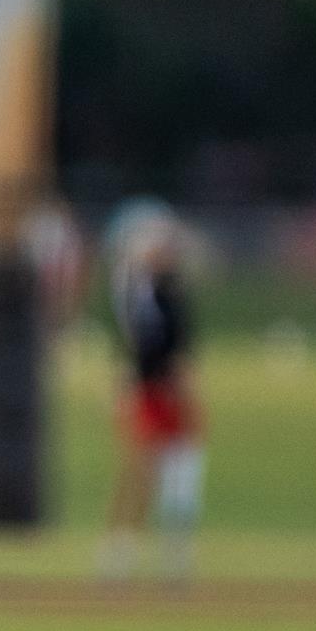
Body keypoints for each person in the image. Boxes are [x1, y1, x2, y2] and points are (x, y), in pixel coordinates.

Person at [99, 208, 206, 585]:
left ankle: (172, 559)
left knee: (178, 477)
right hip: (151, 392)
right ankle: (119, 555)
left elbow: (181, 354)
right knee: (141, 474)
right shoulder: (140, 294)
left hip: (168, 393)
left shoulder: (169, 294)